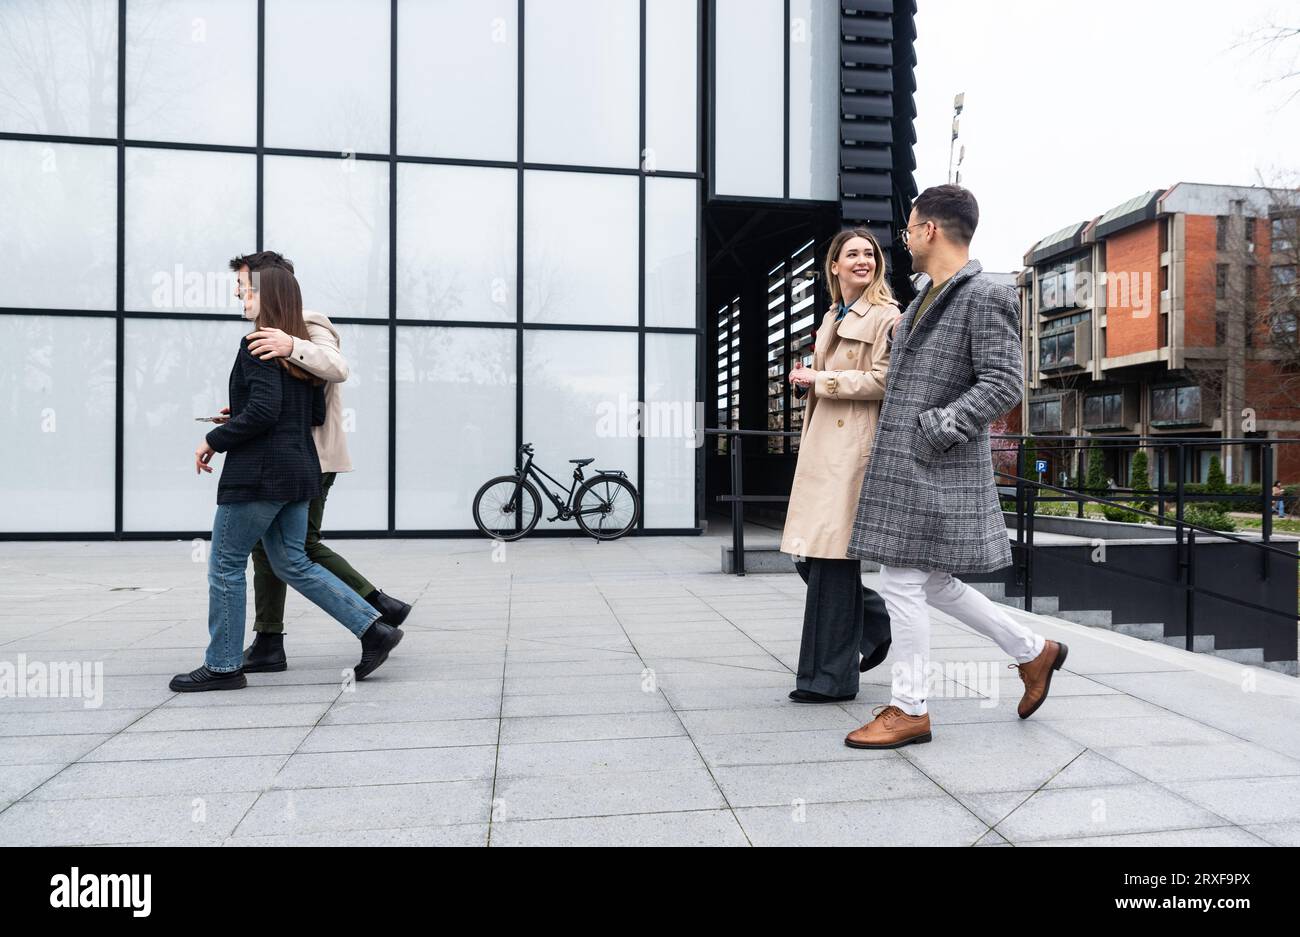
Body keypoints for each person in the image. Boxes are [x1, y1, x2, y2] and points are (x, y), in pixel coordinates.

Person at [843, 184, 1068, 748]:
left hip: (934, 462)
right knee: (932, 580)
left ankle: (910, 708)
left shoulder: (984, 295)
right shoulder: (924, 298)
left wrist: (939, 425)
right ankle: (1032, 651)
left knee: (899, 578)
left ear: (930, 231)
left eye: (909, 228)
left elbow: (1003, 382)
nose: (905, 238)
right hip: (911, 464)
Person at [171, 266, 403, 691]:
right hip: (301, 472)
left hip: (260, 476)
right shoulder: (298, 356)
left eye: (245, 291)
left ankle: (223, 666)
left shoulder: (258, 344)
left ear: (268, 294)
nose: (240, 299)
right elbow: (309, 413)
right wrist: (241, 413)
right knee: (291, 560)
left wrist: (214, 438)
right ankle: (374, 629)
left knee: (225, 564)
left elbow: (263, 413)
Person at [226, 251, 411, 673]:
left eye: (245, 284)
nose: (239, 292)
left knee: (296, 550)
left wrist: (292, 344)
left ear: (273, 283)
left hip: (311, 459)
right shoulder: (266, 330)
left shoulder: (309, 323)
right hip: (283, 458)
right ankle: (270, 640)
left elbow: (337, 367)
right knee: (270, 550)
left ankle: (373, 608)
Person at [779, 229, 900, 703]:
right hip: (825, 447)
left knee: (829, 558)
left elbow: (885, 380)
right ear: (834, 265)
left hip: (852, 449)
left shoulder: (887, 316)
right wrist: (806, 381)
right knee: (810, 552)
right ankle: (873, 619)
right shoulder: (834, 314)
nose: (863, 260)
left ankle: (828, 679)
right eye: (852, 254)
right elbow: (831, 374)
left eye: (869, 254)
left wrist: (821, 378)